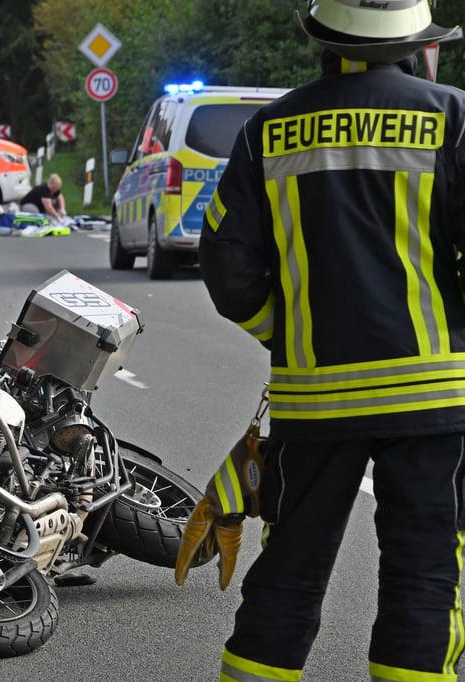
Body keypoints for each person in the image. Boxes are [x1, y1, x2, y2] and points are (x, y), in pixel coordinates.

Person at [179, 2, 465, 681]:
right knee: (426, 571)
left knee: (291, 567)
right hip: (432, 396)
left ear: (324, 42)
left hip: (315, 398)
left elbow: (227, 266)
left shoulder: (267, 130)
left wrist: (292, 335)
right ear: (417, 45)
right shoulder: (452, 117)